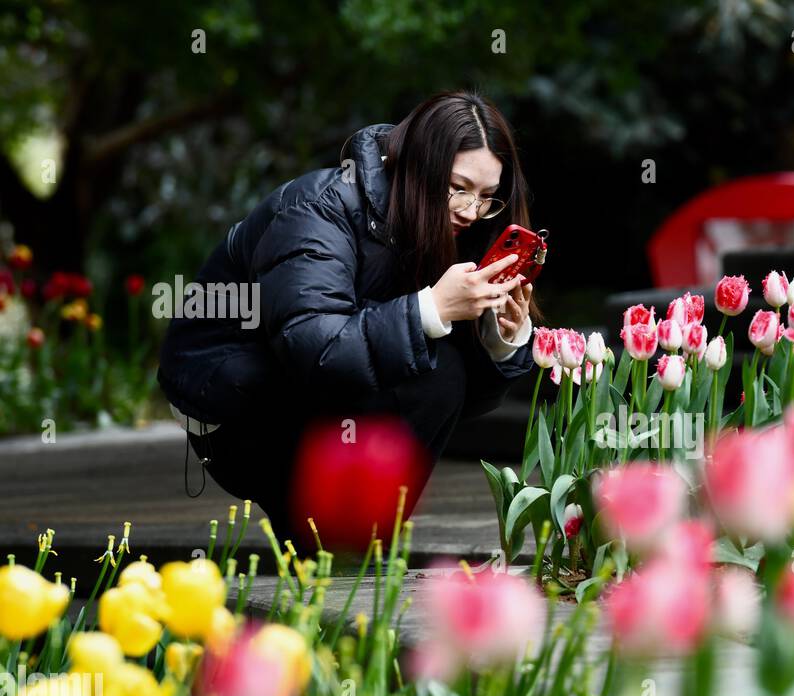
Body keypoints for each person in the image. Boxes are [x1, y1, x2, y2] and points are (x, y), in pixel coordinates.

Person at [157, 91, 537, 534]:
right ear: (418, 165)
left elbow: (455, 398)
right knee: (421, 354)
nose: (471, 210)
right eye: (458, 188)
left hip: (311, 388)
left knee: (444, 369)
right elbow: (314, 349)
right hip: (232, 408)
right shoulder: (317, 208)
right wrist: (430, 308)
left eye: (487, 197)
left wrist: (498, 341)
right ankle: (329, 535)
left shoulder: (451, 226)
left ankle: (359, 538)